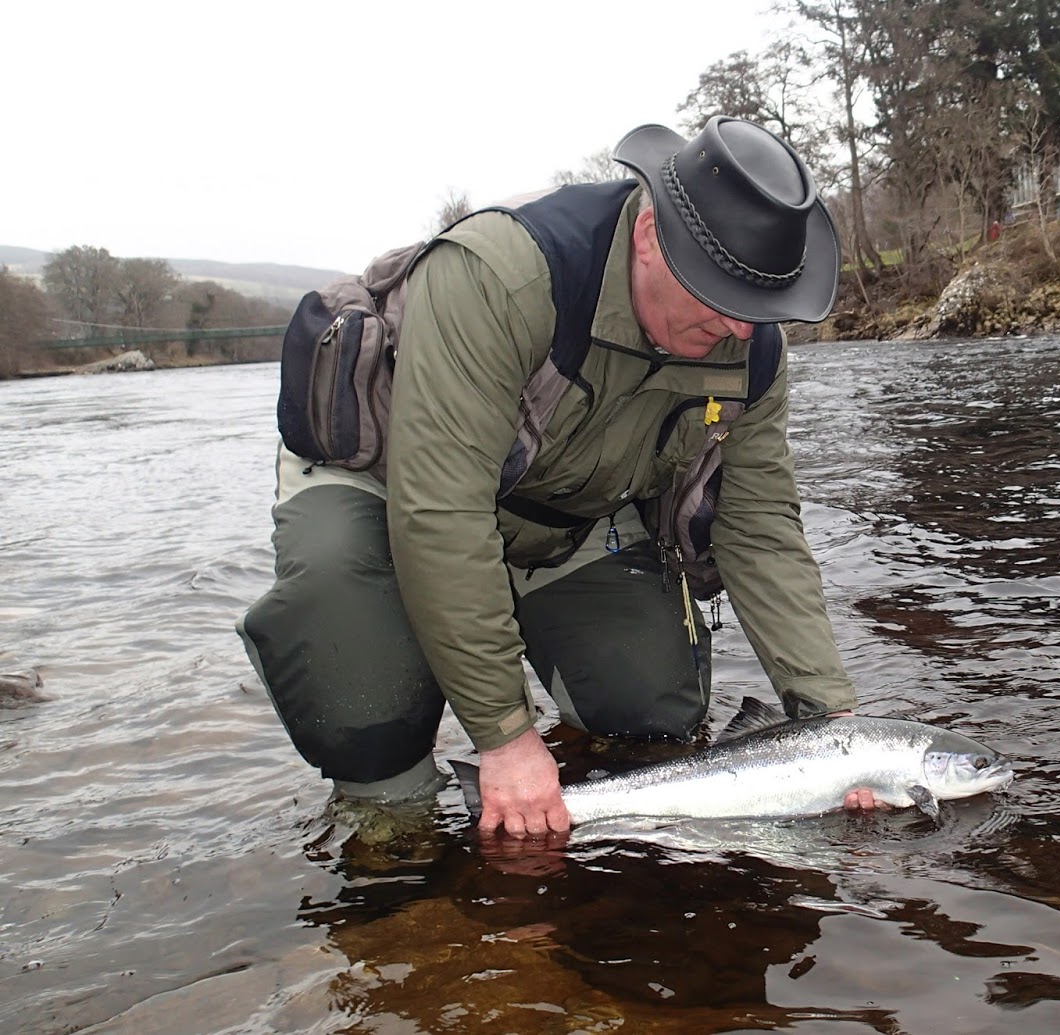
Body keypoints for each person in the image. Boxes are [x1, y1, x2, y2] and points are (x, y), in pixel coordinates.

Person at [238, 116, 872, 839]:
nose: (740, 330)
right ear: (647, 237)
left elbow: (759, 529)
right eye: (720, 294)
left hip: (561, 509)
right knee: (365, 700)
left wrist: (833, 723)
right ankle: (392, 827)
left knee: (654, 714)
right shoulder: (499, 276)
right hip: (390, 485)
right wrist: (505, 736)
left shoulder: (752, 350)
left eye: (759, 309)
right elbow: (442, 512)